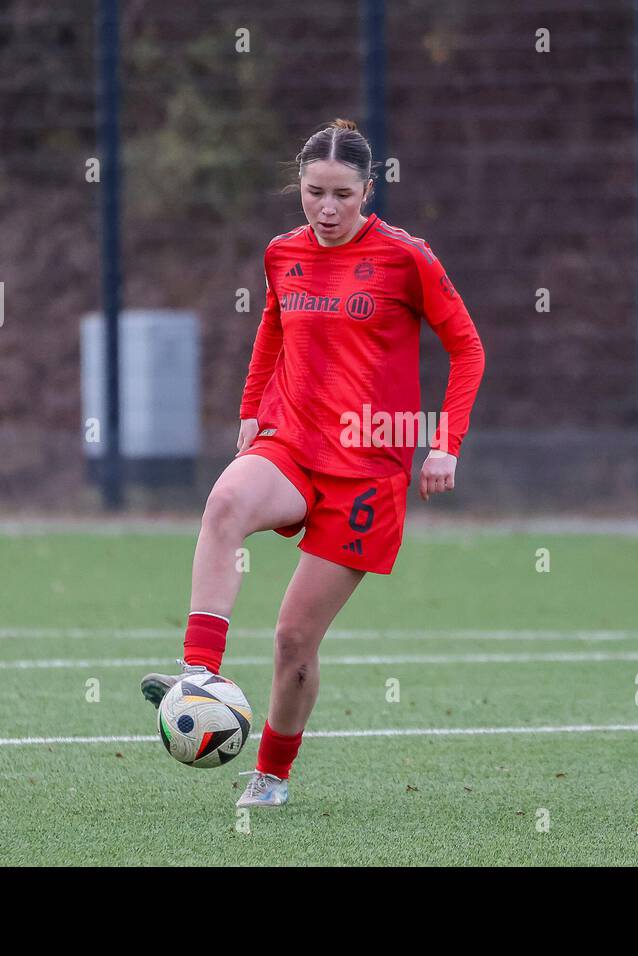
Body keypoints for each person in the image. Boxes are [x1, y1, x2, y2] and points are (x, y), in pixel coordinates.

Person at [142, 119, 486, 806]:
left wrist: (444, 442)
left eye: (341, 195)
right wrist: (249, 410)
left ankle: (271, 774)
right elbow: (271, 326)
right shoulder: (282, 254)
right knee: (224, 505)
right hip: (292, 440)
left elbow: (467, 347)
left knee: (294, 641)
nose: (326, 210)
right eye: (312, 193)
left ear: (368, 189)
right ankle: (199, 673)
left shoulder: (407, 257)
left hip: (369, 468)